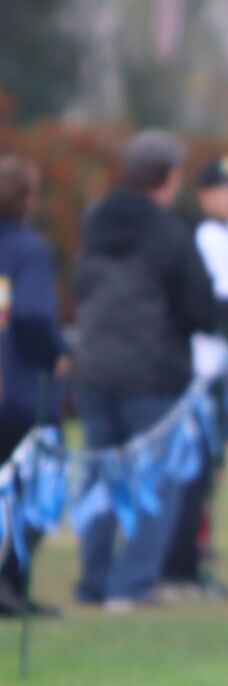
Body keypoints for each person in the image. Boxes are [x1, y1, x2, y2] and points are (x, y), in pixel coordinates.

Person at [70, 129, 218, 612]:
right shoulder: (170, 232)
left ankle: (94, 579)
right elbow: (200, 308)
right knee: (153, 481)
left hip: (93, 366)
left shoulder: (95, 222)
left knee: (100, 476)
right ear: (171, 177)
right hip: (153, 370)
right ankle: (131, 584)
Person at [162, 153, 228, 596]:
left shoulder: (206, 233)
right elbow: (222, 307)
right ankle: (181, 565)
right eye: (225, 188)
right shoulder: (215, 236)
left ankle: (181, 560)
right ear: (204, 194)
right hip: (202, 368)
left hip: (196, 364)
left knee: (197, 469)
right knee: (195, 471)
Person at [0, 154, 67, 617]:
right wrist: (57, 351)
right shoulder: (28, 249)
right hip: (17, 386)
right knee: (29, 484)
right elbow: (33, 315)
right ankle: (8, 583)